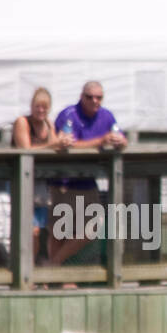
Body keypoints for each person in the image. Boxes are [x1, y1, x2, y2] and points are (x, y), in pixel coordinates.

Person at [48, 81, 129, 266]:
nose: (94, 101)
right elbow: (65, 145)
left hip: (87, 182)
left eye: (99, 97)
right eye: (89, 97)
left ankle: (54, 266)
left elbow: (121, 138)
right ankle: (54, 277)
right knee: (58, 231)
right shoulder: (69, 115)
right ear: (81, 96)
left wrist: (120, 142)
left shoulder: (107, 116)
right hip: (63, 181)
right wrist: (101, 140)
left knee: (93, 227)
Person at [11, 87, 65, 264]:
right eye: (37, 106)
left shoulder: (49, 125)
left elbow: (56, 147)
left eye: (44, 107)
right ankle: (26, 268)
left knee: (45, 230)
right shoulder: (23, 122)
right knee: (31, 229)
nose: (40, 110)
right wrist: (52, 145)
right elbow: (25, 149)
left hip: (44, 184)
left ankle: (41, 269)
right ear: (31, 106)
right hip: (24, 182)